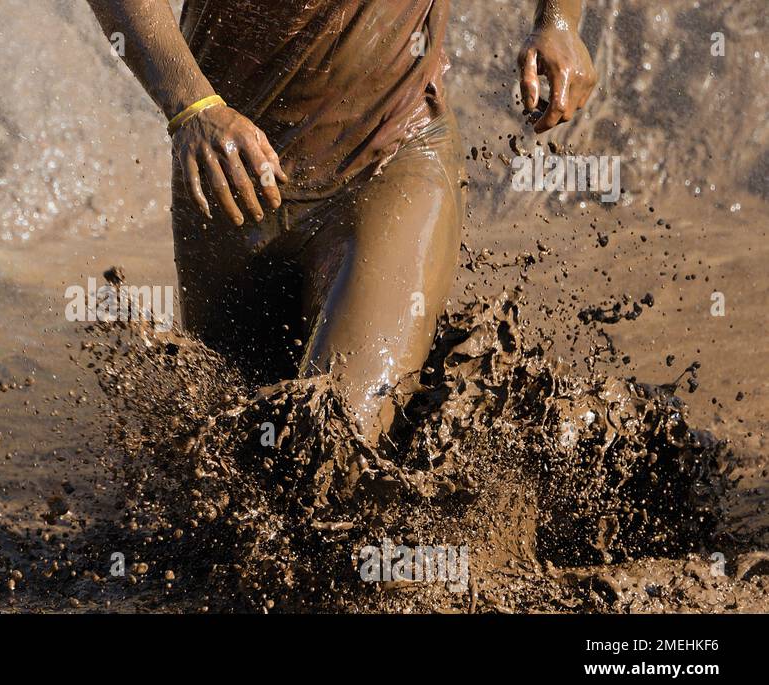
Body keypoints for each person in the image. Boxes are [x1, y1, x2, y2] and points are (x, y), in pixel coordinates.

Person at [85, 0, 597, 440]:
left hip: (389, 156)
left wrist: (559, 22)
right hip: (228, 174)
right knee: (228, 456)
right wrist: (191, 107)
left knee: (336, 440)